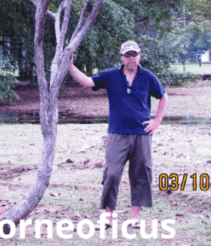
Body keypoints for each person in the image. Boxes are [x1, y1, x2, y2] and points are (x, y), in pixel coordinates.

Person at [68, 41, 168, 226]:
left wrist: (157, 121)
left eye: (134, 54)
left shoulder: (148, 77)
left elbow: (163, 96)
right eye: (127, 55)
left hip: (141, 134)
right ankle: (108, 218)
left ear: (139, 56)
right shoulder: (111, 75)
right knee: (112, 174)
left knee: (141, 174)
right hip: (117, 133)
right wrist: (70, 66)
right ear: (122, 57)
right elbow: (87, 82)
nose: (131, 58)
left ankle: (134, 218)